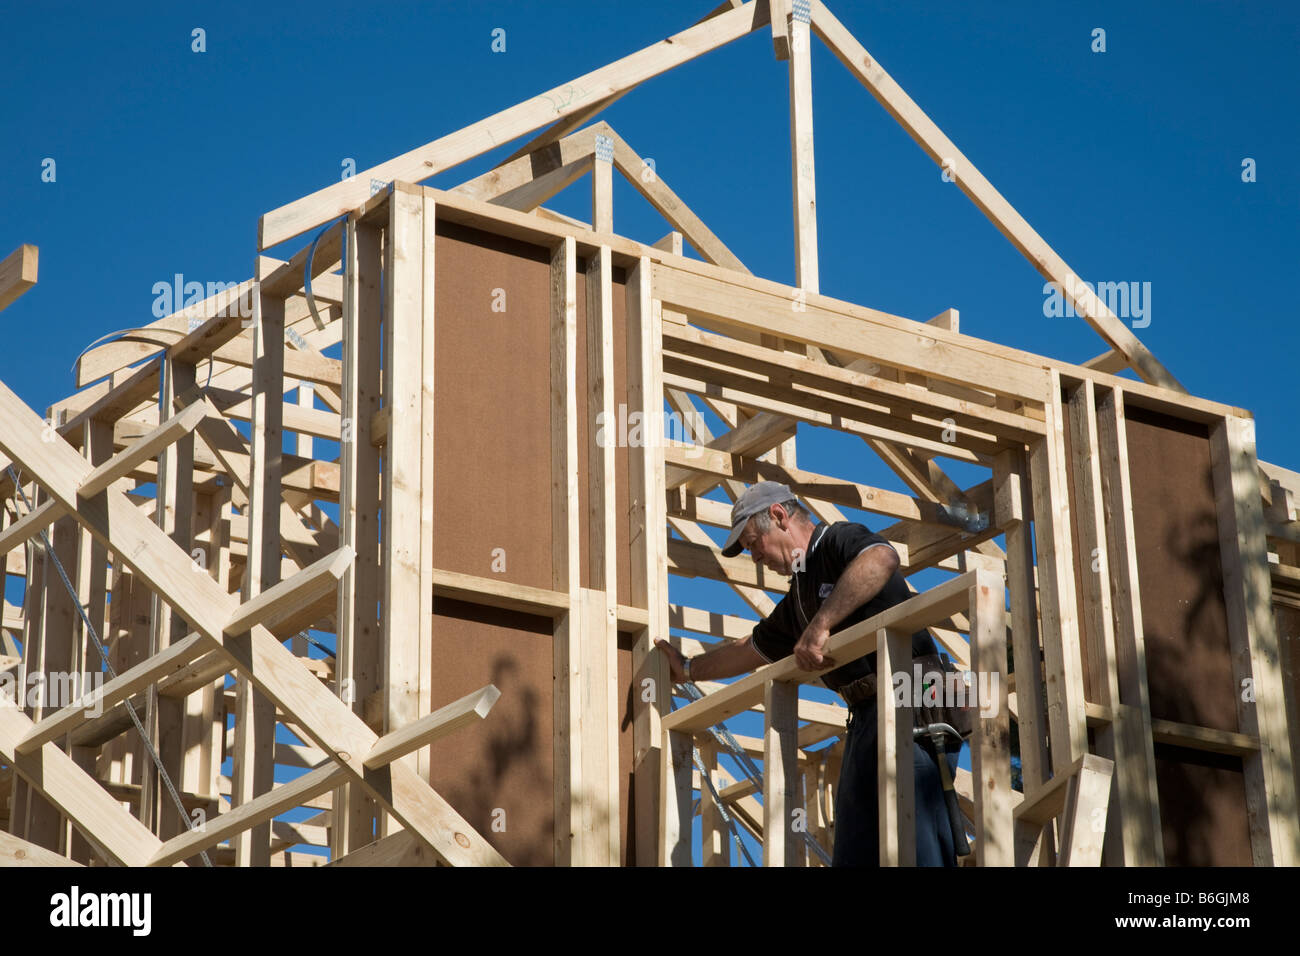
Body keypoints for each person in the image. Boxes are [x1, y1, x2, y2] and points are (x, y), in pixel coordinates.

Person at [655, 480, 960, 866]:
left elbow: (881, 559)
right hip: (867, 714)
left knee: (919, 849)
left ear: (779, 516)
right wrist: (688, 669)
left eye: (752, 544)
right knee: (854, 852)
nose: (754, 557)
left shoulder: (835, 541)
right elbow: (750, 649)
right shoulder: (799, 593)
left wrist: (821, 625)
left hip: (913, 699)